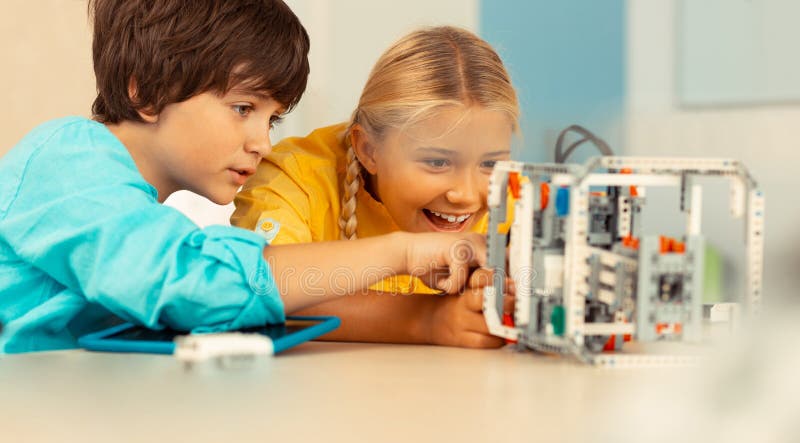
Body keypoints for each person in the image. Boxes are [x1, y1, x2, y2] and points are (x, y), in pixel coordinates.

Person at [0, 0, 485, 354]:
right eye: (242, 108)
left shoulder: (134, 208)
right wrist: (402, 253)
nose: (263, 143)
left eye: (271, 119)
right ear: (145, 92)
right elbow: (194, 285)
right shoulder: (66, 160)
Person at [232, 26, 519, 348]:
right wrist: (430, 319)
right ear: (369, 150)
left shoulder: (512, 199)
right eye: (438, 163)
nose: (466, 195)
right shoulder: (294, 177)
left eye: (490, 164)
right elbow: (254, 288)